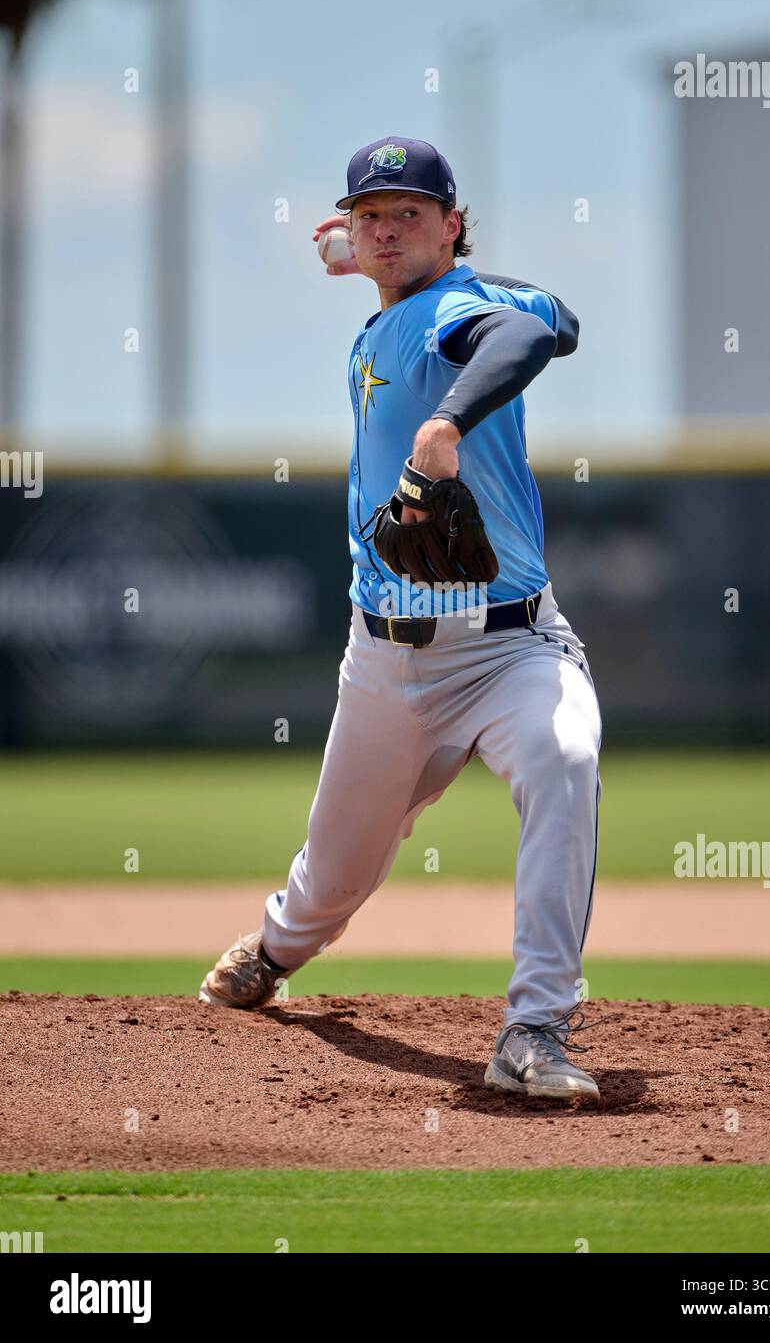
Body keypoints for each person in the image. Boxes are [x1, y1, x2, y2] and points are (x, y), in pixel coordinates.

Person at [199, 136, 603, 1103]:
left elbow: (530, 338)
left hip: (513, 644)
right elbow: (561, 314)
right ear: (350, 226)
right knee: (332, 880)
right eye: (370, 214)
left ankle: (535, 1026)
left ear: (454, 225)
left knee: (566, 758)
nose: (388, 228)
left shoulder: (459, 312)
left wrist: (445, 426)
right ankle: (276, 949)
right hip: (386, 663)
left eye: (410, 213)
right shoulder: (408, 309)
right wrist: (373, 258)